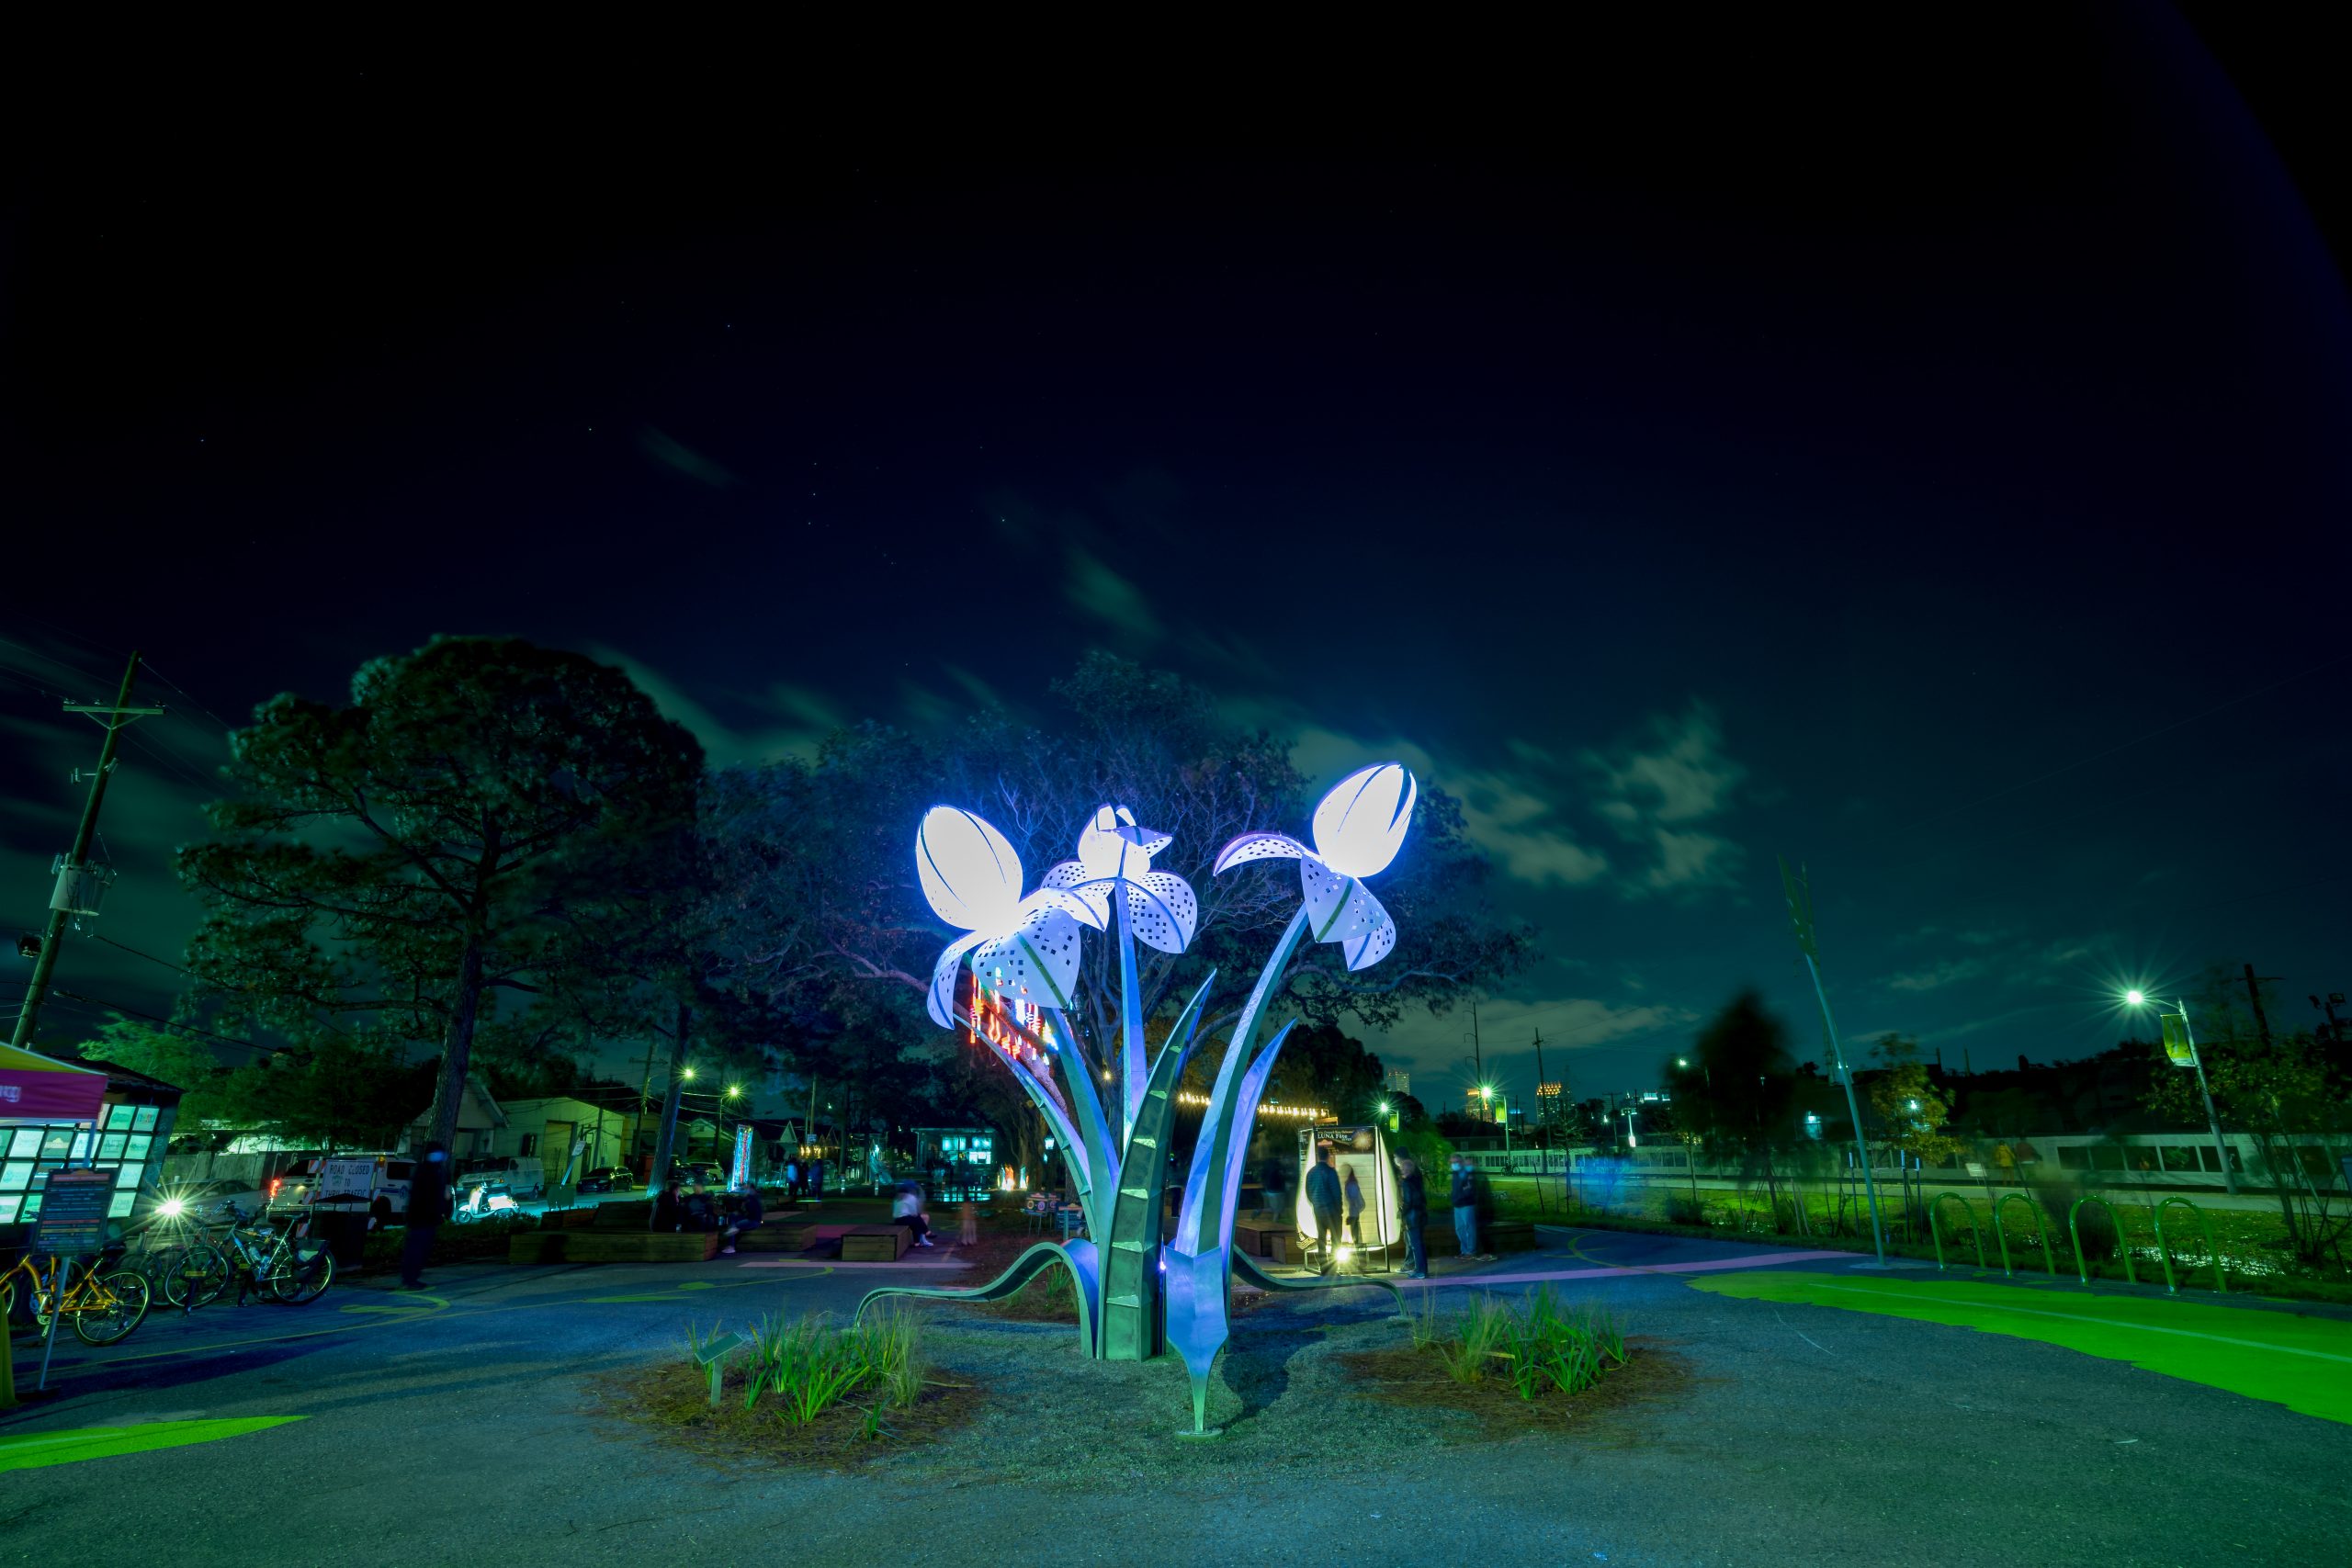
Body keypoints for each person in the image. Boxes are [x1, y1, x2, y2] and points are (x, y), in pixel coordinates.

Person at [398, 1142, 450, 1291]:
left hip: (427, 1218)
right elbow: (425, 1196)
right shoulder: (426, 1170)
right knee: (416, 1249)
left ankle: (411, 1278)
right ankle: (409, 1279)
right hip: (421, 1218)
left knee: (421, 1249)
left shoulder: (436, 1170)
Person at [1304, 1147, 1343, 1273]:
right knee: (1336, 1240)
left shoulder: (1311, 1172)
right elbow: (1336, 1193)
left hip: (1318, 1211)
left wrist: (1316, 1203)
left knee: (1321, 1240)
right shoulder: (1330, 1172)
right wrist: (1339, 1209)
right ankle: (1333, 1267)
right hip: (1332, 1211)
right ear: (1328, 1156)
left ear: (1317, 1156)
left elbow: (1308, 1193)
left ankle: (1323, 1267)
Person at [1450, 1156, 1487, 1262]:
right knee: (1460, 1229)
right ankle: (1465, 1251)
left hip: (1466, 1204)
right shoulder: (1456, 1174)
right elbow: (1457, 1189)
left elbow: (1468, 1190)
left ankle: (1471, 1251)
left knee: (1469, 1228)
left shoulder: (1468, 1174)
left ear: (1461, 1162)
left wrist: (1457, 1197)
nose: (1454, 1164)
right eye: (1453, 1162)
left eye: (1457, 1162)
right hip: (1457, 1205)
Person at [1396, 1154, 1428, 1278]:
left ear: (1406, 1170)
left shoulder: (1406, 1183)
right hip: (1420, 1215)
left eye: (1402, 1168)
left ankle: (1420, 1271)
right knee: (1420, 1244)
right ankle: (1421, 1269)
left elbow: (1408, 1201)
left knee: (1416, 1245)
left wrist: (1402, 1212)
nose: (1401, 1170)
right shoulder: (1417, 1180)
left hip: (1412, 1217)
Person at [719, 1182, 763, 1256]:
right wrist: (740, 1212)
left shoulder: (751, 1198)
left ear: (750, 1189)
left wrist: (742, 1211)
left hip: (752, 1221)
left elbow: (751, 1212)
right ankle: (732, 1232)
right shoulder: (750, 1198)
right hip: (751, 1219)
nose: (744, 1190)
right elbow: (745, 1211)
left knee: (735, 1226)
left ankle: (731, 1246)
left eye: (746, 1188)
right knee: (732, 1216)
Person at [892, 1179, 934, 1247]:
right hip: (904, 1219)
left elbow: (896, 1211)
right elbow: (914, 1212)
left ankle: (917, 1243)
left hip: (897, 1220)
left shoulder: (896, 1199)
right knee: (918, 1218)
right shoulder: (910, 1197)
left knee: (915, 1223)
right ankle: (926, 1233)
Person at [1342, 1168, 1366, 1248]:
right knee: (1355, 1224)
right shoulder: (1353, 1184)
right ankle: (1357, 1242)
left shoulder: (1348, 1184)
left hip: (1352, 1208)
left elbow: (1349, 1197)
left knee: (1354, 1225)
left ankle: (1356, 1241)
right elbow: (1356, 1197)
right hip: (1355, 1208)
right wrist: (1359, 1205)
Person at [1260, 1156, 1286, 1221]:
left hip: (1270, 1191)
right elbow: (1282, 1179)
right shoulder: (1277, 1170)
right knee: (1277, 1210)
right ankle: (1274, 1224)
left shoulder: (1266, 1169)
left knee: (1275, 1209)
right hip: (1277, 1191)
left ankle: (1259, 1211)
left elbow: (1263, 1179)